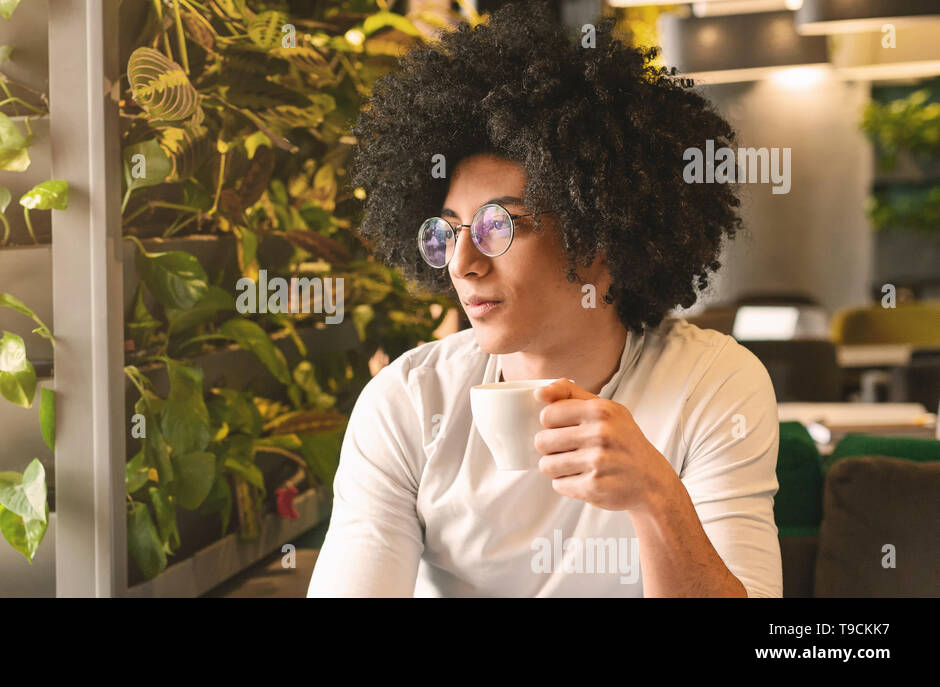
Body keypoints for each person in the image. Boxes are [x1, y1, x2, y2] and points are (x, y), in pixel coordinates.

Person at [306, 5, 782, 597]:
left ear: (600, 236)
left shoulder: (713, 385)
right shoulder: (405, 404)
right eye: (448, 231)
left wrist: (657, 499)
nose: (463, 264)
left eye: (497, 228)